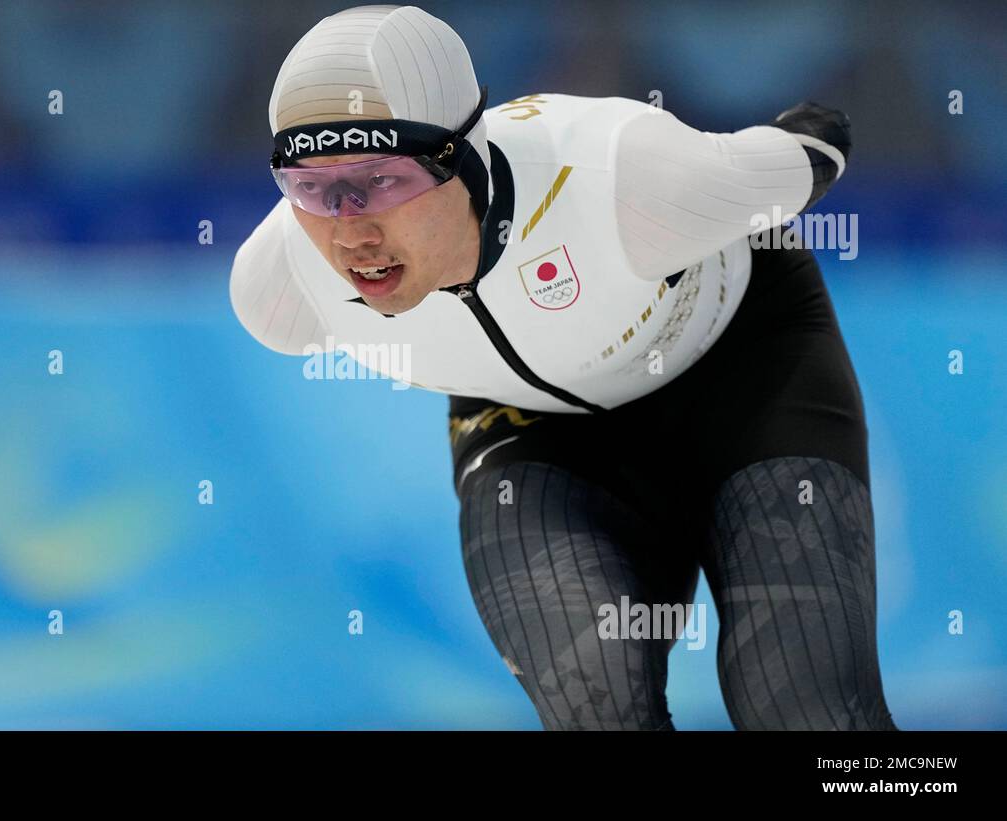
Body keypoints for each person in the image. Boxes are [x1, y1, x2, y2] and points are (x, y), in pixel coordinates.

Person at [230, 4, 898, 730]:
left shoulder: (622, 179)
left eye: (381, 180)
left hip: (741, 378)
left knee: (809, 710)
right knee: (597, 707)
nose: (349, 229)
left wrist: (810, 134)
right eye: (311, 187)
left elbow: (806, 153)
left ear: (462, 155)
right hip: (537, 435)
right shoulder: (283, 289)